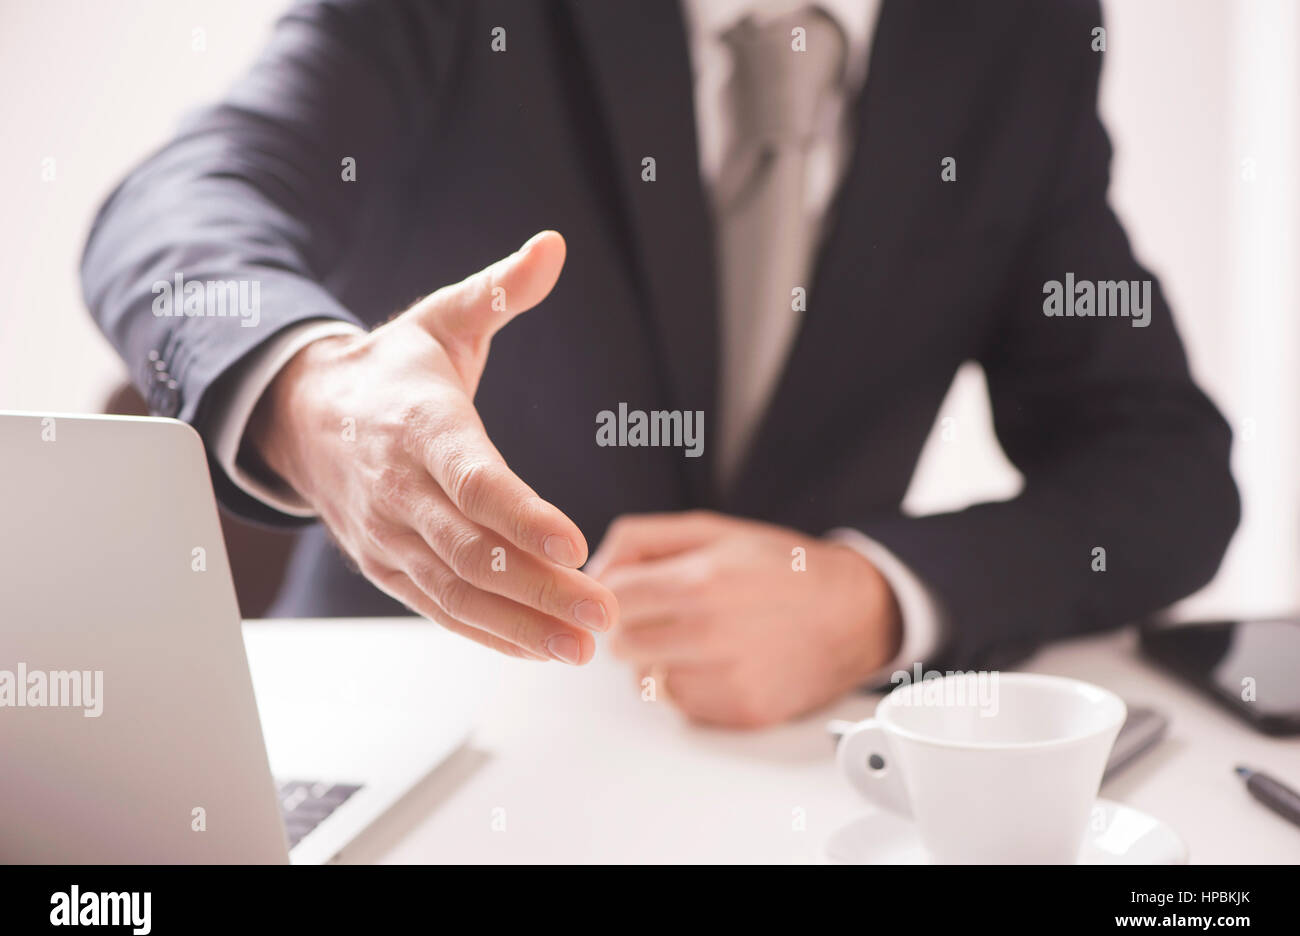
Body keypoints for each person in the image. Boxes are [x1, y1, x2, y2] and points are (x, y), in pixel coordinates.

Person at [81, 0, 1238, 727]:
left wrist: (875, 597)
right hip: (410, 735)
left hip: (779, 781)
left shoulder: (1013, 36)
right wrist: (319, 392)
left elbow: (1167, 469)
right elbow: (180, 202)